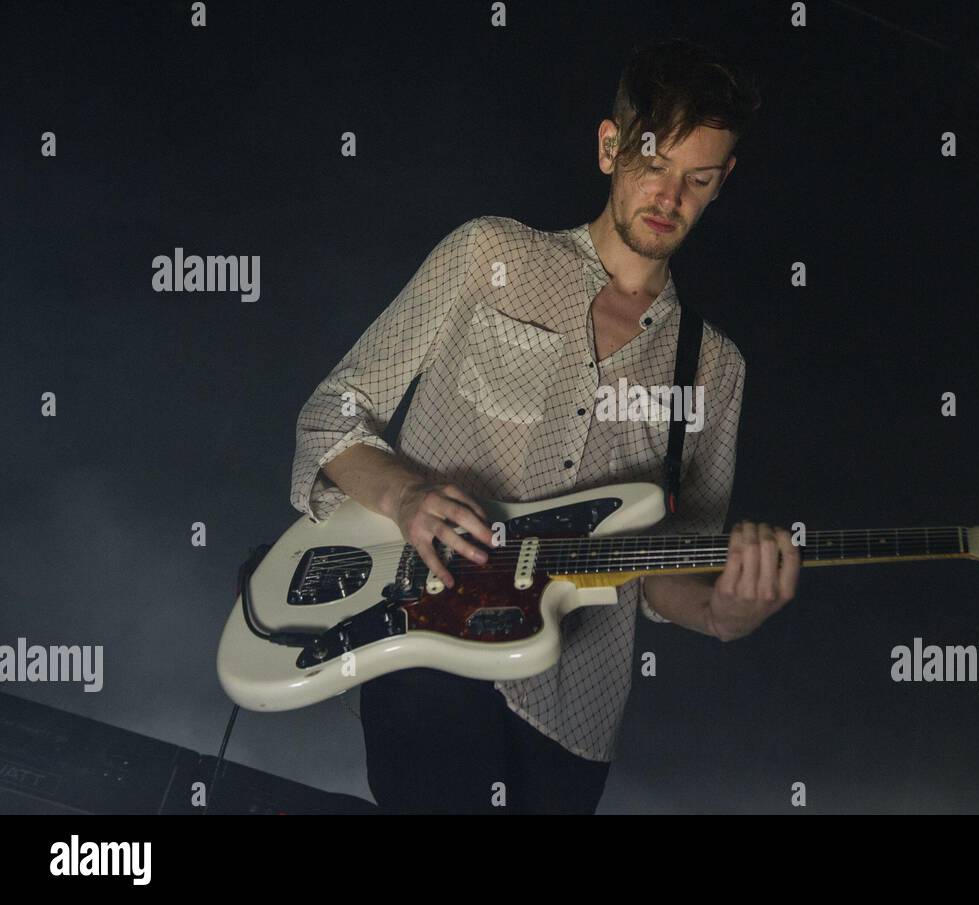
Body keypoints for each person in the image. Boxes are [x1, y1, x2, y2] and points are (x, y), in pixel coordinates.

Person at [290, 37, 799, 814]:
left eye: (697, 180)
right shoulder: (488, 255)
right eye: (653, 165)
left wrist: (724, 613)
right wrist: (406, 497)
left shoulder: (716, 368)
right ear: (609, 147)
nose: (669, 196)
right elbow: (331, 416)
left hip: (573, 712)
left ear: (723, 182)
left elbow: (664, 575)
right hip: (430, 638)